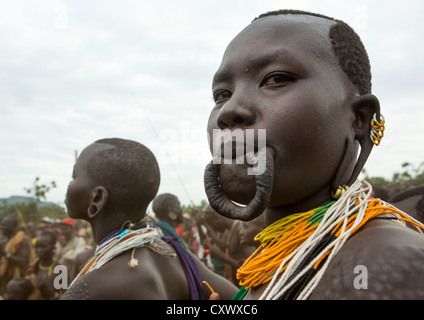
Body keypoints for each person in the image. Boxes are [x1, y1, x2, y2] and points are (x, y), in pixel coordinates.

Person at [203, 9, 424, 300]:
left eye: (274, 79)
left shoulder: (390, 263)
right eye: (222, 94)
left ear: (359, 118)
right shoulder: (273, 262)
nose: (229, 111)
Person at [61, 138, 237, 299]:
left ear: (97, 198)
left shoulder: (91, 287)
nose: (69, 185)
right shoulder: (174, 253)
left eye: (74, 177)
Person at [0, 215, 33, 293]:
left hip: (18, 281)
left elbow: (23, 261)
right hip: (5, 280)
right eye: (1, 224)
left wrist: (6, 255)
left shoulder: (22, 241)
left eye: (4, 225)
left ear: (13, 227)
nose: (2, 227)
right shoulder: (4, 242)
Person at [25, 230, 62, 299]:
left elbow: (66, 296)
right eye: (37, 247)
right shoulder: (32, 267)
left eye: (43, 247)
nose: (38, 250)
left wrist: (49, 293)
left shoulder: (61, 270)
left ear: (53, 247)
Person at [56, 218, 86, 283]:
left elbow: (77, 256)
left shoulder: (79, 241)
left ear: (72, 229)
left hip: (73, 274)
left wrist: (65, 247)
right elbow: (56, 256)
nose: (63, 231)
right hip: (60, 275)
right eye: (61, 229)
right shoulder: (60, 241)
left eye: (65, 229)